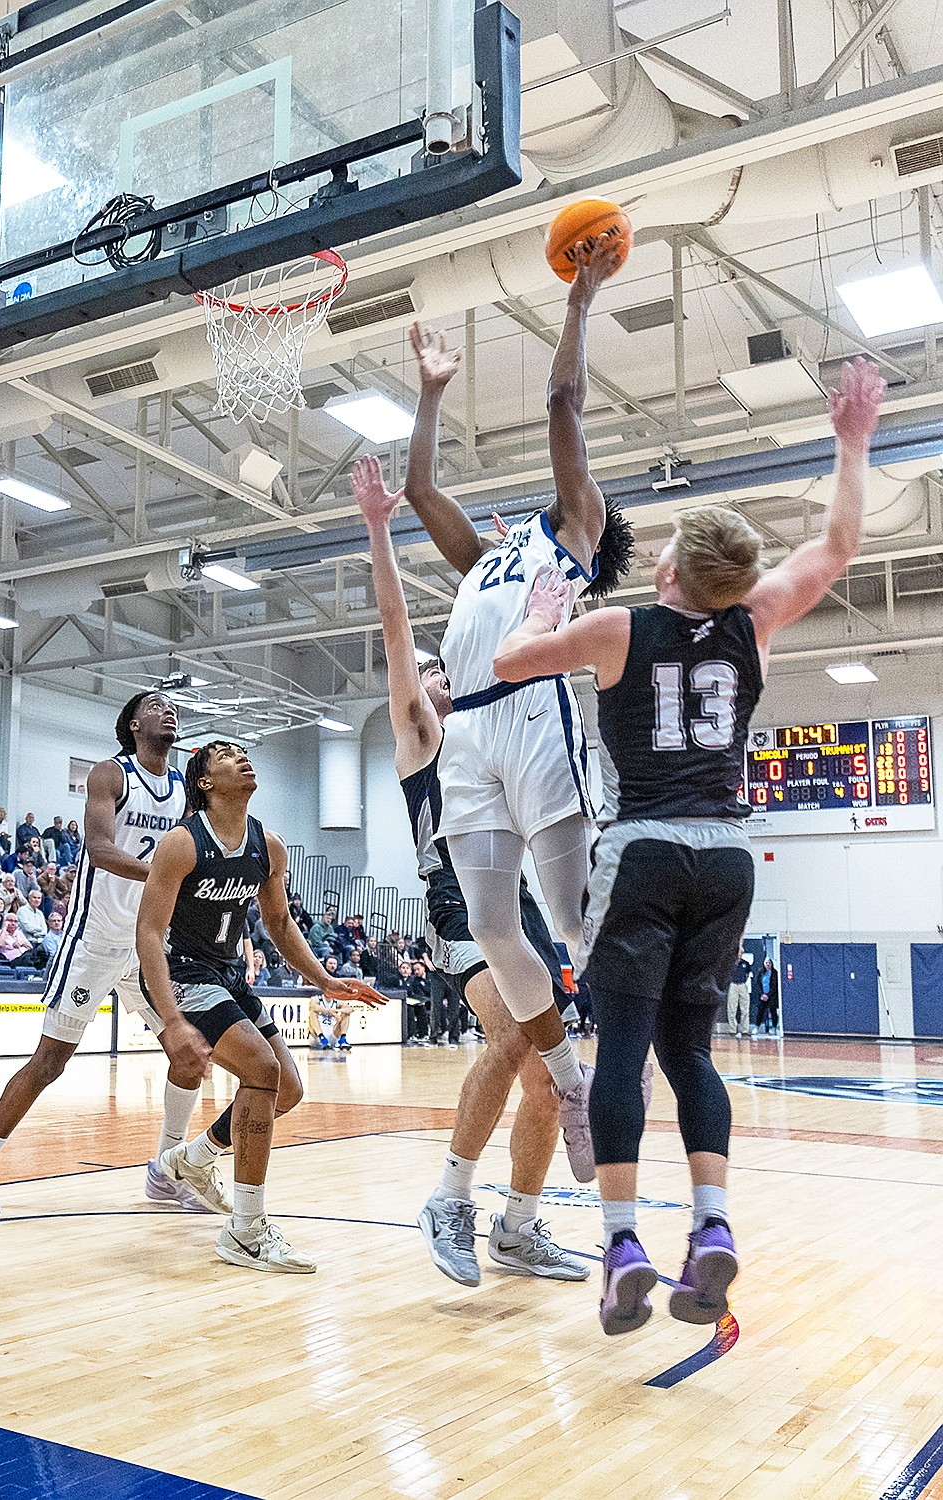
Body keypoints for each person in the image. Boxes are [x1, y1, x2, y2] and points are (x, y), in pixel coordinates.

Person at [494, 356, 885, 1335]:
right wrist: (851, 439)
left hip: (646, 851)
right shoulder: (753, 626)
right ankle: (711, 1228)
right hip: (728, 859)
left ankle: (623, 1241)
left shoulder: (621, 627)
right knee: (693, 1054)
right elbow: (838, 544)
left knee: (622, 1053)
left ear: (670, 569)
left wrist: (541, 608)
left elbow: (506, 664)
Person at [402, 244, 635, 1178]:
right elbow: (421, 490)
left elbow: (560, 404)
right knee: (495, 925)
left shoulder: (568, 536)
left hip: (536, 716)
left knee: (576, 920)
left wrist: (579, 297)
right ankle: (569, 1077)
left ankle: (628, 1055)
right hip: (469, 737)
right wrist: (429, 394)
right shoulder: (492, 561)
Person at [356, 452, 594, 1285]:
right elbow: (395, 632)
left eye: (437, 666)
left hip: (517, 904)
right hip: (457, 910)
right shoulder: (423, 734)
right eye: (424, 672)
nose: (432, 674)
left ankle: (519, 1226)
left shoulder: (500, 726)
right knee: (510, 1042)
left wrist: (514, 570)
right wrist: (382, 532)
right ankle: (449, 1198)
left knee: (545, 1080)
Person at [136, 740, 384, 1274]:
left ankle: (193, 1158)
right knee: (262, 1069)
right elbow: (149, 932)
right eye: (225, 754)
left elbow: (278, 923)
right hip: (184, 972)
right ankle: (246, 1229)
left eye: (243, 751)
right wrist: (171, 1019)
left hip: (227, 974)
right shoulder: (182, 844)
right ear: (204, 782)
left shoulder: (268, 845)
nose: (242, 757)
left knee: (288, 1089)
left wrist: (323, 979)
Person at [0, 692, 196, 1215]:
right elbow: (101, 849)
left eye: (172, 706)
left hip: (146, 945)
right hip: (93, 940)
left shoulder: (183, 789)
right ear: (133, 723)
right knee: (49, 1063)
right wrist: (164, 876)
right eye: (156, 705)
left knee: (188, 1053)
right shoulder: (112, 774)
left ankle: (166, 1171)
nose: (169, 710)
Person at [726, 947, 750, 1039]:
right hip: (733, 985)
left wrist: (743, 981)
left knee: (745, 1008)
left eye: (741, 953)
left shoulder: (745, 963)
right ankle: (732, 1030)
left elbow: (747, 975)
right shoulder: (730, 963)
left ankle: (745, 1030)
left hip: (742, 985)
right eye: (738, 953)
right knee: (732, 1008)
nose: (739, 955)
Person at [754, 956, 780, 1036]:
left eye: (769, 963)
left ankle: (774, 1028)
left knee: (773, 1011)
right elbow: (757, 984)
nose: (768, 964)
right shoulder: (760, 972)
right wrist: (762, 994)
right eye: (766, 963)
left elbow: (775, 986)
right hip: (762, 995)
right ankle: (757, 1027)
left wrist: (768, 995)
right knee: (760, 1011)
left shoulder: (775, 973)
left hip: (771, 995)